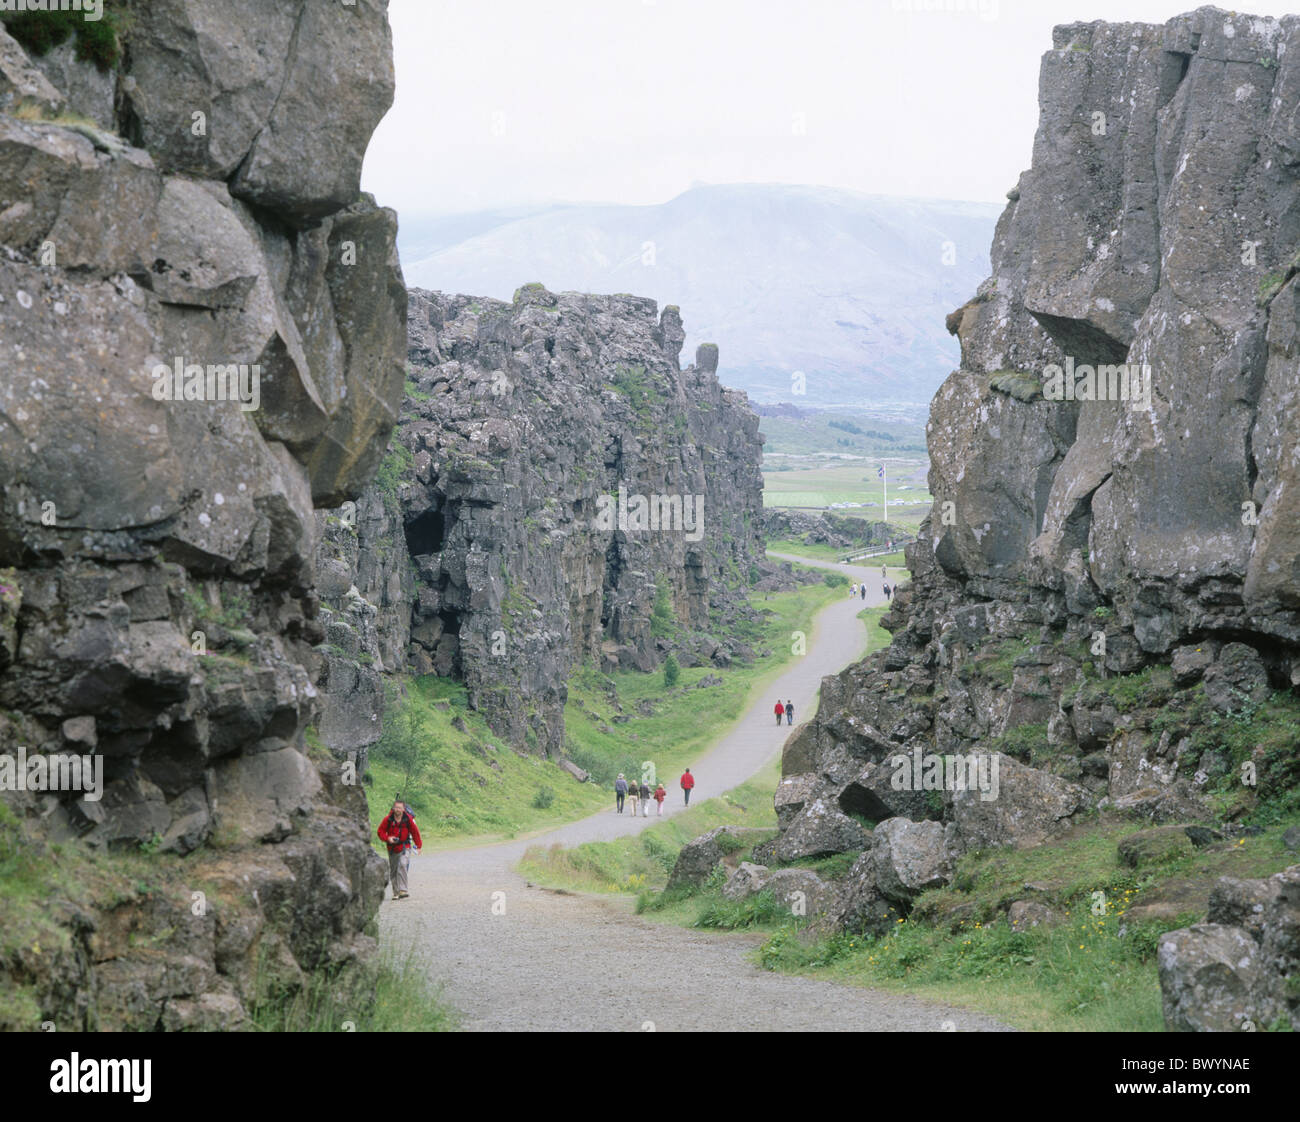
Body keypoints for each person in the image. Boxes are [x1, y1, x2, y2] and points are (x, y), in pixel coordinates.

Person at [377, 799, 421, 901]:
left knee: (402, 864)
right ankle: (396, 892)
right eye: (396, 807)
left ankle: (403, 890)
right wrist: (388, 838)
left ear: (403, 809)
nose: (398, 810)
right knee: (394, 871)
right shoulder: (388, 819)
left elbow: (415, 832)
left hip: (405, 846)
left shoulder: (408, 819)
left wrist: (418, 845)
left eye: (400, 808)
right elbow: (380, 831)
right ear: (393, 808)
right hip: (392, 848)